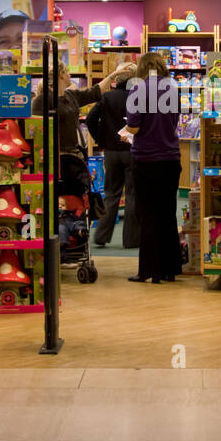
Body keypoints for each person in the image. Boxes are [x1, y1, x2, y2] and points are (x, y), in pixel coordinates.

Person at [120, 52, 182, 283]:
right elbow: (174, 121)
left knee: (147, 214)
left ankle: (149, 270)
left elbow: (134, 127)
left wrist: (128, 132)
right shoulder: (172, 87)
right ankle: (169, 268)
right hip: (171, 158)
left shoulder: (139, 88)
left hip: (146, 159)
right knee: (168, 213)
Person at [41, 60, 136, 202]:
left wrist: (100, 139)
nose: (70, 74)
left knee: (98, 196)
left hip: (88, 155)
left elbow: (93, 98)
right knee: (132, 195)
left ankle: (91, 224)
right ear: (61, 75)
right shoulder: (46, 99)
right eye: (67, 71)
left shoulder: (73, 96)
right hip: (62, 157)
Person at [86, 74, 139, 249]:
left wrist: (100, 140)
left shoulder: (107, 97)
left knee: (111, 194)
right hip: (132, 151)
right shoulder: (137, 97)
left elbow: (90, 119)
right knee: (132, 195)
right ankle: (131, 239)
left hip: (110, 151)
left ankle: (101, 236)